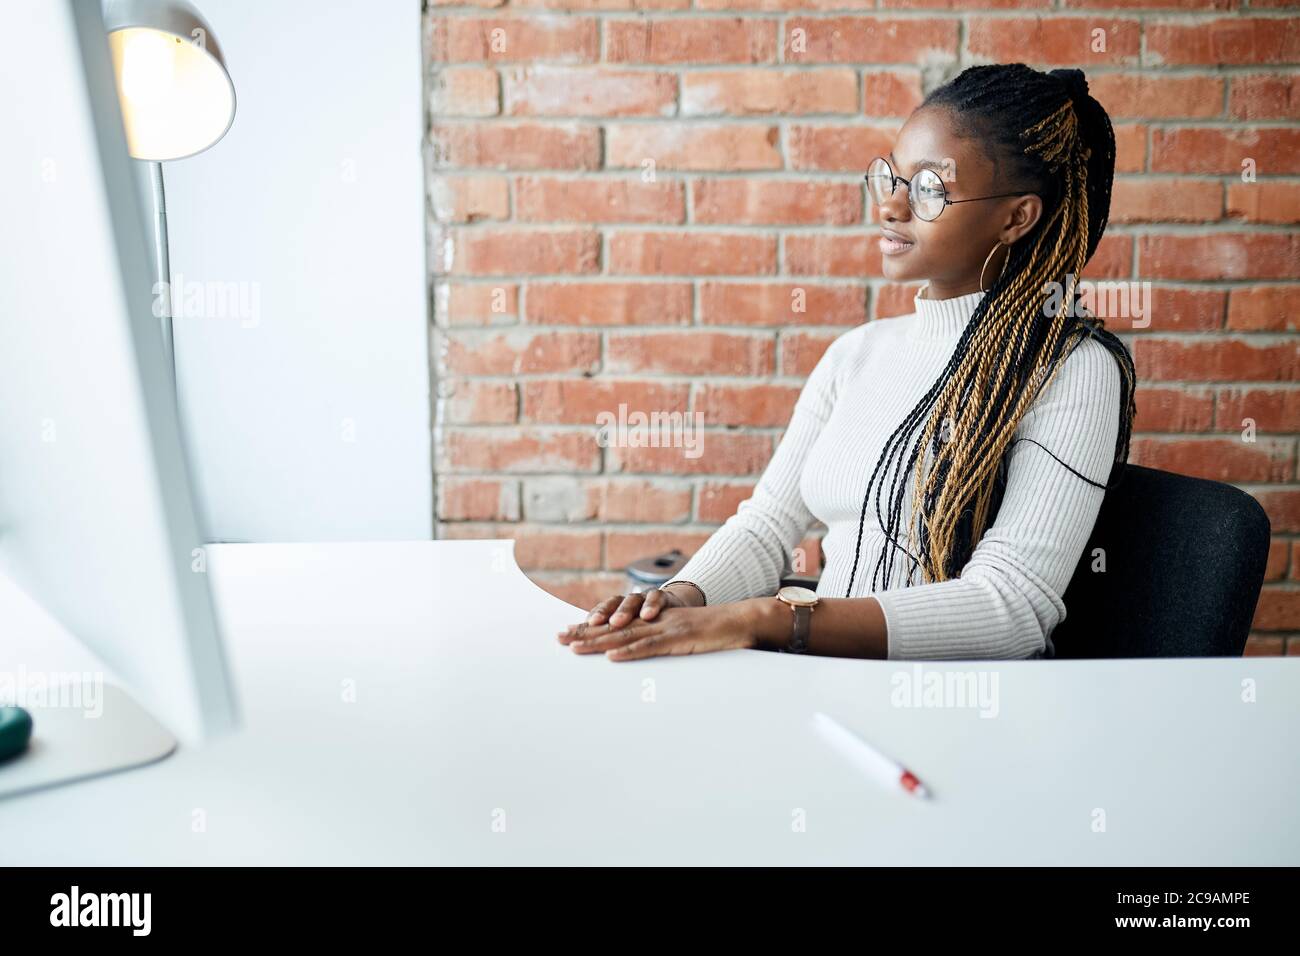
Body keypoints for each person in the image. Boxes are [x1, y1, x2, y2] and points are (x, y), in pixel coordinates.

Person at [558, 63, 1137, 662]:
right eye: (892, 177)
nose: (892, 206)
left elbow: (1010, 607)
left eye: (931, 189)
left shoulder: (1071, 368)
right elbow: (767, 526)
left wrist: (767, 619)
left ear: (1016, 217)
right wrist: (681, 599)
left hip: (957, 714)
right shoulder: (856, 354)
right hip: (828, 683)